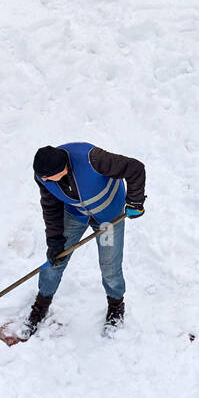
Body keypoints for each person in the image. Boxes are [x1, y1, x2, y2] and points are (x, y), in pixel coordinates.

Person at [26, 143, 145, 337]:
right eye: (42, 176)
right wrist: (54, 240)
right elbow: (51, 207)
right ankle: (41, 304)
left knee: (109, 265)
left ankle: (116, 306)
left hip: (108, 219)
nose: (44, 179)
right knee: (55, 260)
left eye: (47, 176)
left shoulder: (93, 159)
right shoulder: (43, 176)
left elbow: (135, 168)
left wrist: (135, 201)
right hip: (76, 215)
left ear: (61, 169)